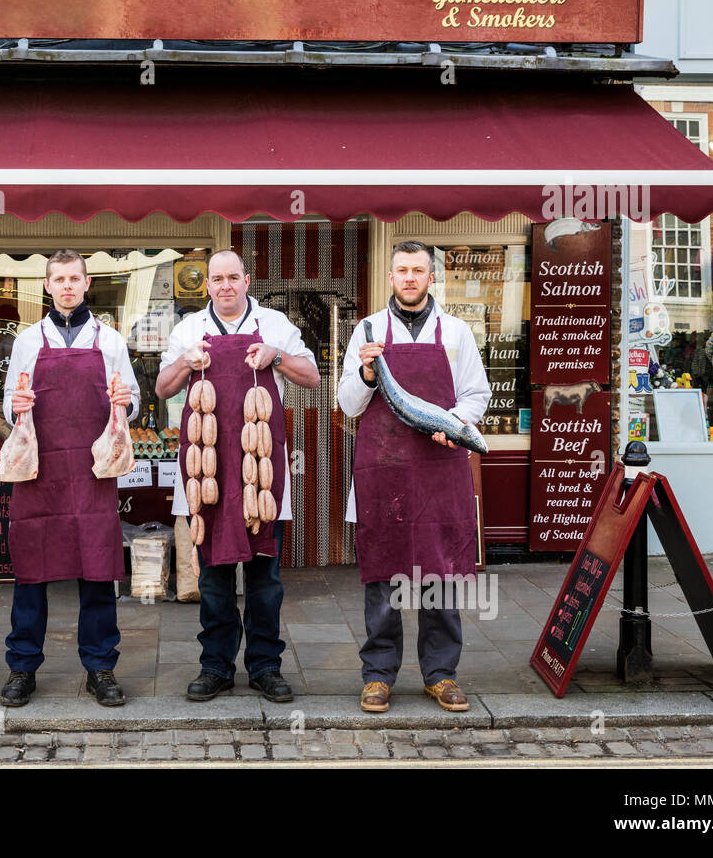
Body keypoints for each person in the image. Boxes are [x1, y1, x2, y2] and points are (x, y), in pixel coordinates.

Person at [156, 250, 319, 702]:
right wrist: (186, 363)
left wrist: (277, 356)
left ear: (247, 281)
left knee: (266, 578)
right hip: (203, 470)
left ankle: (266, 666)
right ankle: (216, 667)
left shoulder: (275, 323)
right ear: (207, 285)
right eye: (217, 279)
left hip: (261, 472)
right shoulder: (188, 329)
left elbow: (312, 375)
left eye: (233, 277)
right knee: (213, 577)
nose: (225, 285)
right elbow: (162, 387)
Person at [338, 240, 490, 714]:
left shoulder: (457, 332)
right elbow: (347, 405)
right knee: (383, 574)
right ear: (390, 277)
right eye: (401, 270)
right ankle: (379, 675)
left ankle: (441, 674)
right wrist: (365, 373)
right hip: (383, 472)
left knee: (440, 572)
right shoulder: (366, 331)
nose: (409, 278)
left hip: (439, 470)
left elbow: (476, 394)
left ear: (430, 277)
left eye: (418, 270)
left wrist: (453, 425)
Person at [0, 249, 140, 707]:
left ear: (86, 282)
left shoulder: (111, 339)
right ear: (46, 285)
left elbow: (132, 401)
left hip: (92, 472)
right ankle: (22, 667)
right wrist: (15, 407)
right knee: (32, 573)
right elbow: (8, 404)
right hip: (39, 472)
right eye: (58, 279)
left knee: (98, 572)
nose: (66, 286)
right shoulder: (27, 339)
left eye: (73, 278)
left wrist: (125, 399)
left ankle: (100, 666)